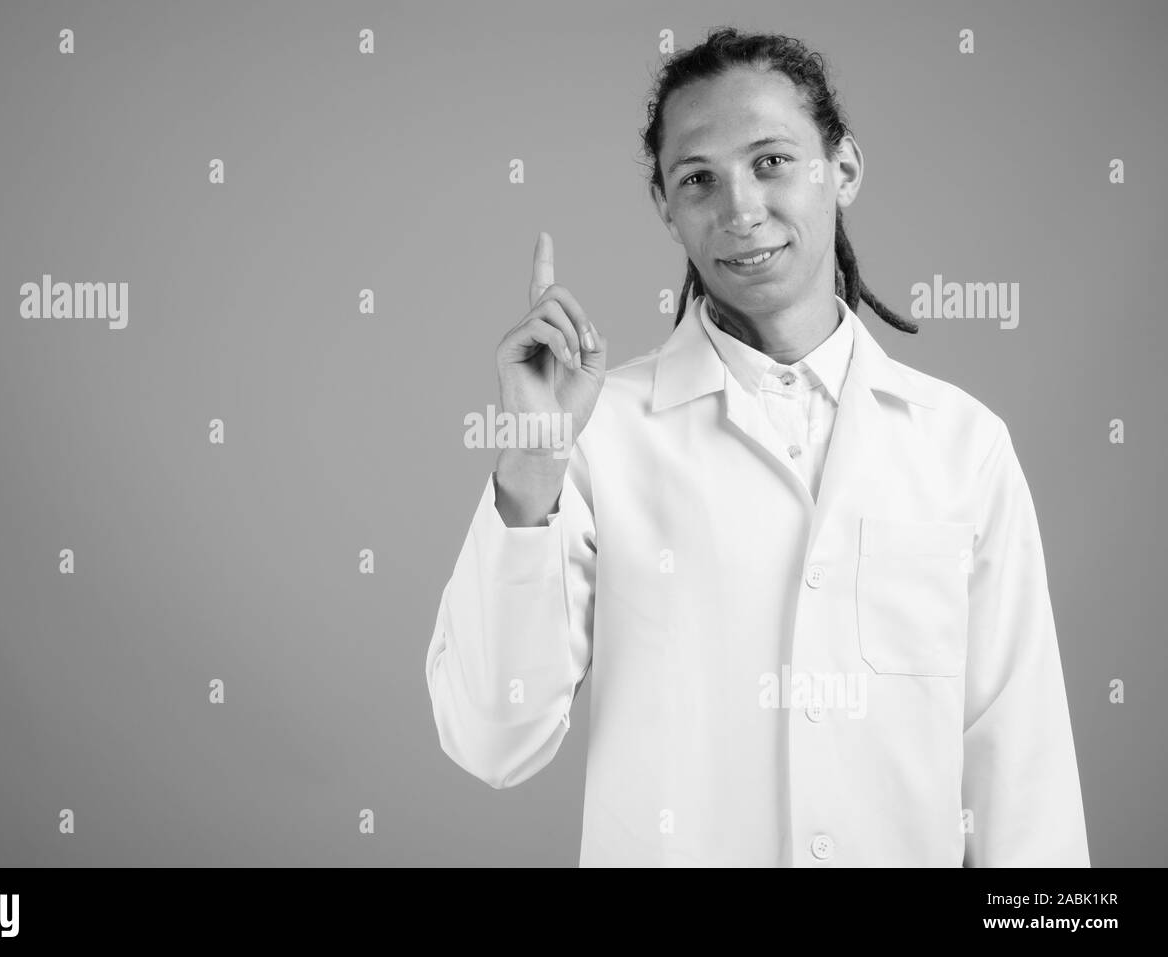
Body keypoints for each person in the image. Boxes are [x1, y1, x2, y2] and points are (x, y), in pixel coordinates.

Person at [424, 28, 1089, 867]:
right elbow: (492, 741)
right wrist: (532, 462)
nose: (739, 209)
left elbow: (1022, 776)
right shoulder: (598, 433)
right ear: (667, 207)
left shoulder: (963, 446)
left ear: (841, 170)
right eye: (698, 179)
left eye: (771, 161)